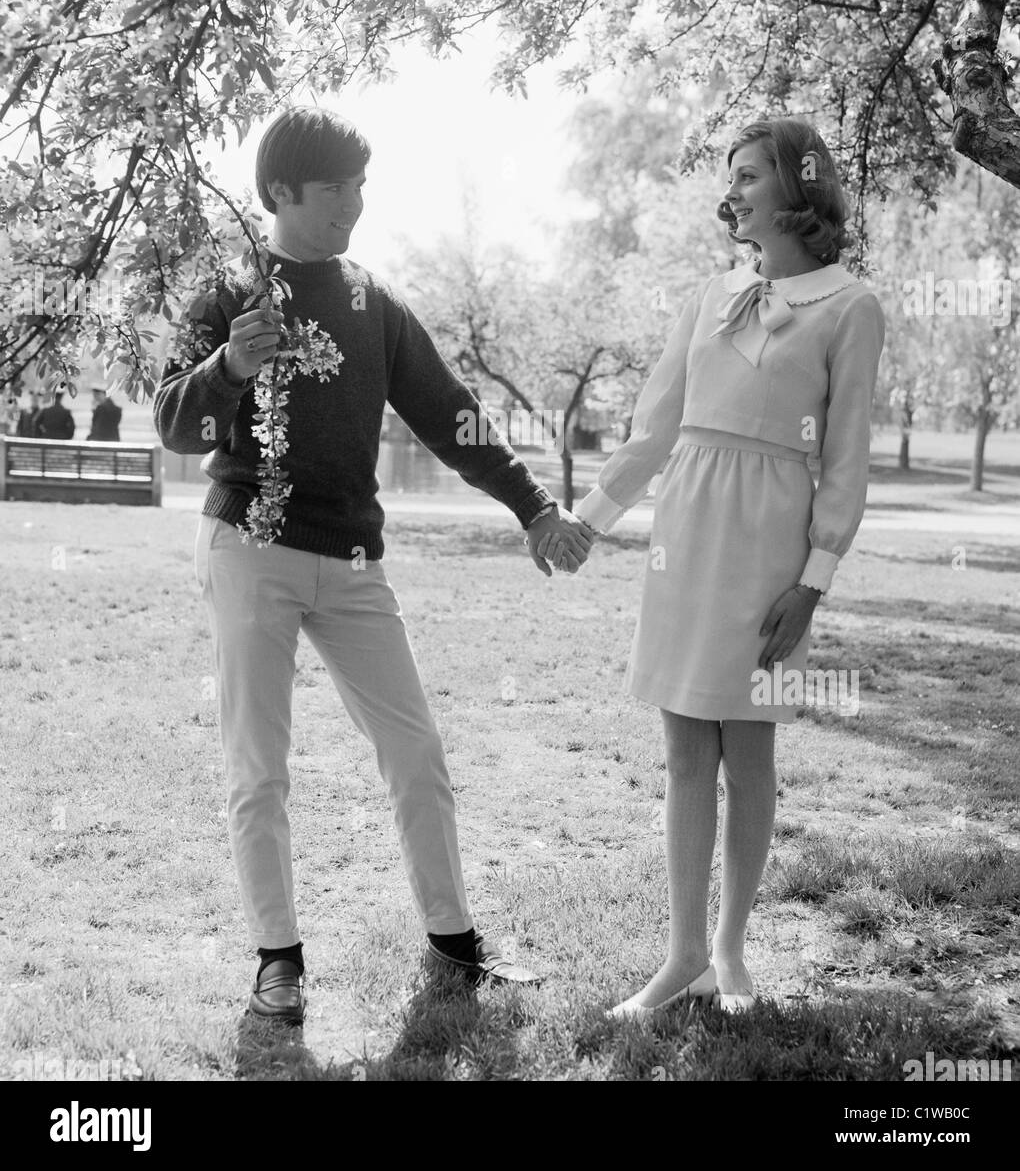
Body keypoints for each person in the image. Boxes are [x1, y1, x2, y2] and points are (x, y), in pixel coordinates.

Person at [153, 105, 593, 1025]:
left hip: (353, 562)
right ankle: (279, 960)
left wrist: (534, 506)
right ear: (280, 193)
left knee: (416, 751)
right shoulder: (227, 292)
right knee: (258, 766)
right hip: (250, 551)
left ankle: (455, 945)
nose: (354, 203)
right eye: (335, 188)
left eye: (361, 186)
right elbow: (176, 428)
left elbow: (449, 412)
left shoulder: (371, 300)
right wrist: (228, 367)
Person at [542, 117, 885, 1016]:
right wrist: (587, 521)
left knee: (752, 747)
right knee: (686, 748)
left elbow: (845, 461)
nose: (730, 191)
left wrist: (814, 582)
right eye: (729, 177)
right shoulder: (706, 295)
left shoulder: (852, 307)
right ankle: (683, 954)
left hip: (771, 543)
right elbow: (655, 429)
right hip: (686, 531)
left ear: (795, 188)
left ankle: (731, 953)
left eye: (747, 176)